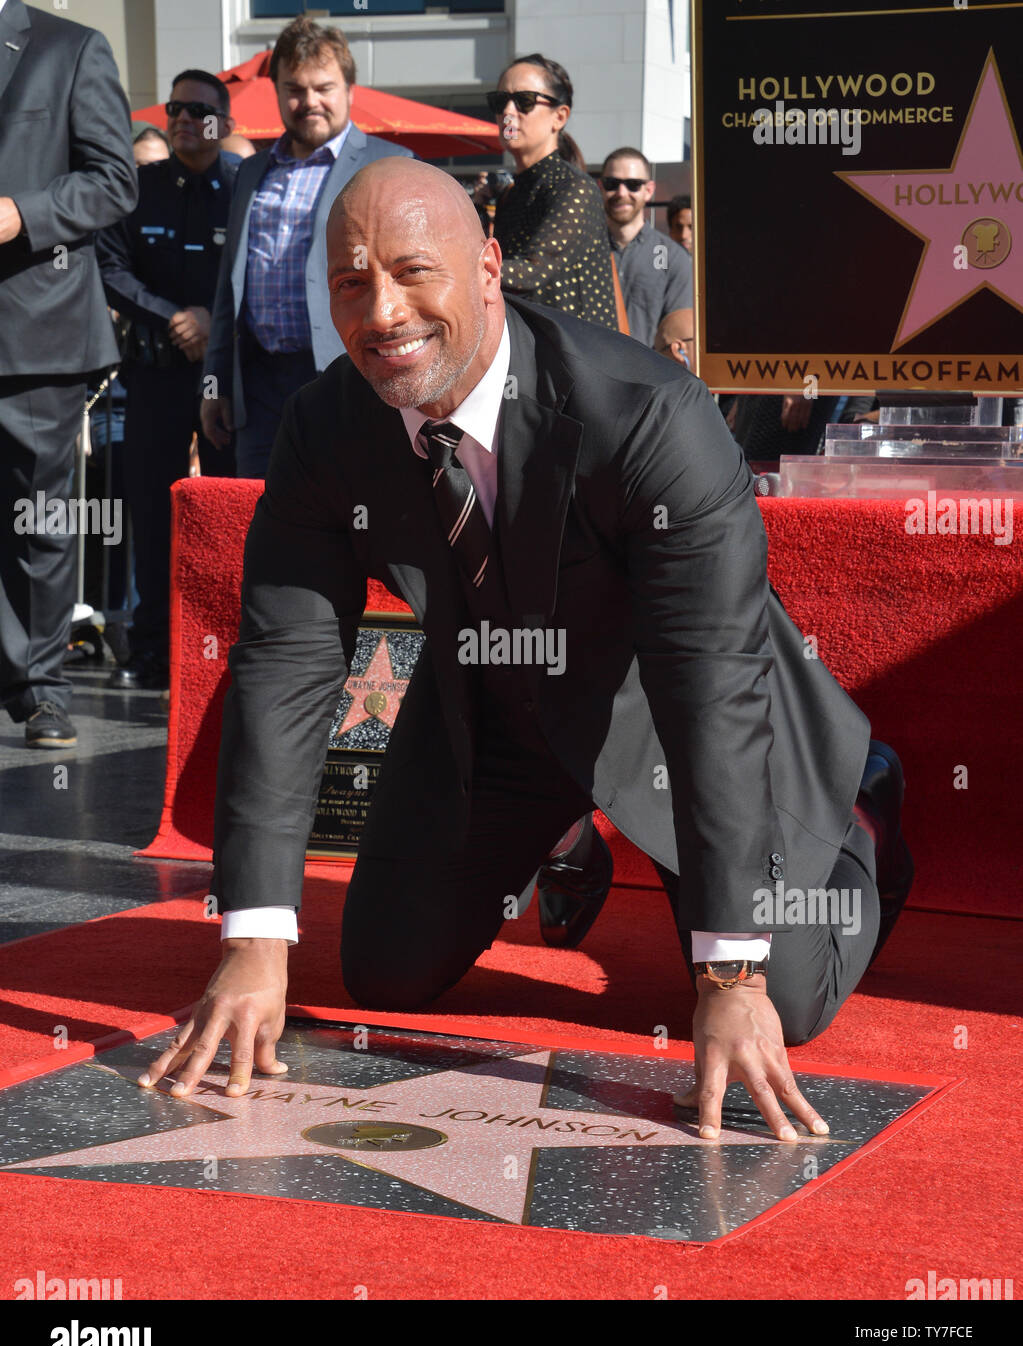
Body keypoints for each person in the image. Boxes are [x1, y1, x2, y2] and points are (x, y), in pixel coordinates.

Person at [140, 161, 914, 1151]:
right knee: (385, 969)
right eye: (350, 283)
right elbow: (287, 664)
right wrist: (252, 934)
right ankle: (566, 838)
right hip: (492, 714)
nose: (383, 313)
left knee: (790, 1000)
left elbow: (710, 680)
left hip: (665, 715)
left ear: (491, 267)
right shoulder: (325, 427)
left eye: (416, 272)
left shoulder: (647, 411)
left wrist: (730, 973)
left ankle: (865, 807)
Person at [0, 0, 137, 748]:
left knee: (38, 520)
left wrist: (22, 212)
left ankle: (40, 689)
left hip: (37, 332)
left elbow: (116, 181)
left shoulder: (72, 47)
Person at [201, 15, 413, 479]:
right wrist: (214, 384)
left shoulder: (391, 165)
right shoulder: (251, 175)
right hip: (257, 387)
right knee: (262, 523)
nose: (309, 101)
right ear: (276, 92)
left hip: (348, 376)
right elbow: (227, 290)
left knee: (352, 520)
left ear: (350, 90)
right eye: (295, 88)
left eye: (324, 87)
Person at [97, 70, 239, 692]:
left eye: (199, 110)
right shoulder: (137, 186)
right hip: (154, 372)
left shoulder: (244, 187)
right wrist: (174, 317)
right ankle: (152, 648)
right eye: (176, 108)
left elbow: (259, 268)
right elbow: (109, 266)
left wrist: (214, 322)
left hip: (224, 374)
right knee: (152, 513)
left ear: (224, 125)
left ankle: (225, 644)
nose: (184, 119)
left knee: (229, 506)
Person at [489, 54, 617, 330]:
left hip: (580, 361)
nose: (508, 112)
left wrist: (456, 267)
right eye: (500, 102)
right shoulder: (511, 194)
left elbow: (533, 270)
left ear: (559, 117)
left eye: (524, 101)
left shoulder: (575, 188)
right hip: (530, 352)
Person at [601, 146, 693, 349]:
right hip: (588, 376)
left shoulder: (674, 258)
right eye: (612, 184)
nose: (621, 192)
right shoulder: (581, 251)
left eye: (633, 185)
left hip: (649, 377)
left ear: (649, 190)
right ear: (601, 186)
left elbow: (678, 336)